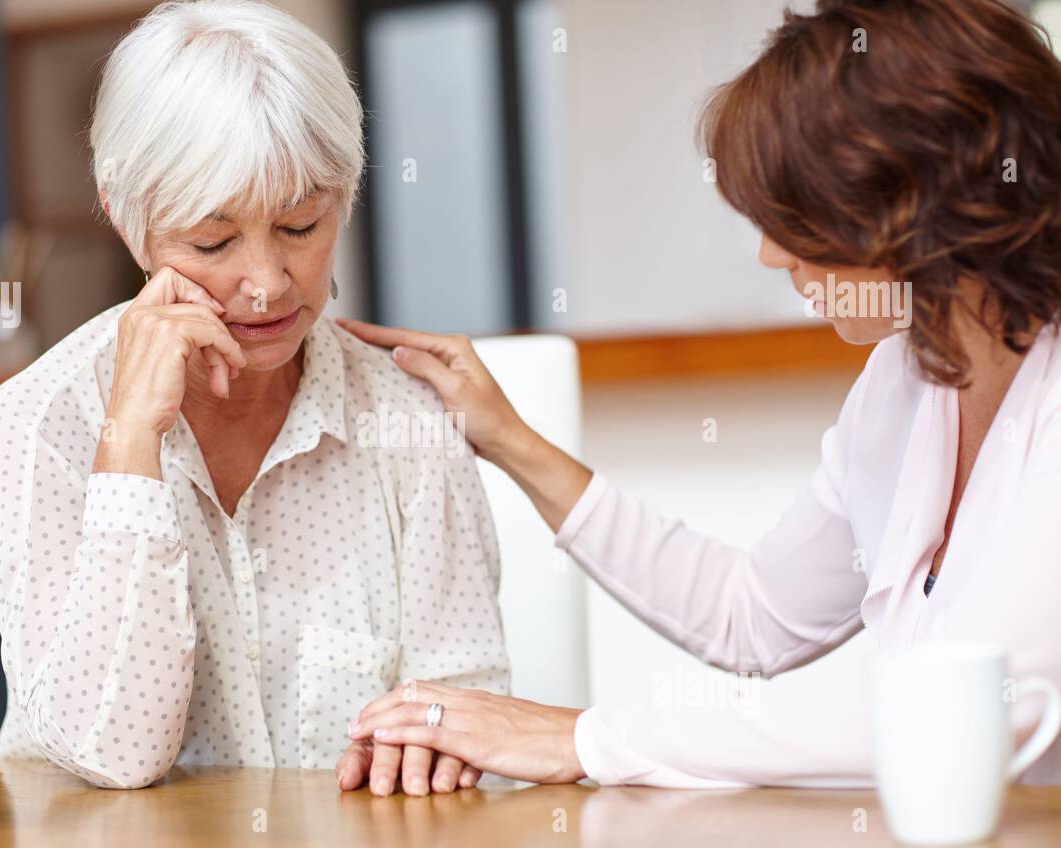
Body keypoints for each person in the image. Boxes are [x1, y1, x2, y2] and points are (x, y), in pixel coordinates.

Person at [344, 0, 1061, 788]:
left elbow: (984, 708)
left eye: (796, 213)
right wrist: (511, 438)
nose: (767, 253)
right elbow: (748, 614)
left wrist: (585, 740)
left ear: (917, 205)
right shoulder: (903, 380)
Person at [0, 0, 509, 792]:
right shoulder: (37, 427)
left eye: (300, 226)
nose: (265, 285)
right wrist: (128, 449)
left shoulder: (406, 421)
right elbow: (109, 756)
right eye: (213, 242)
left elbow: (469, 719)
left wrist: (436, 748)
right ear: (128, 220)